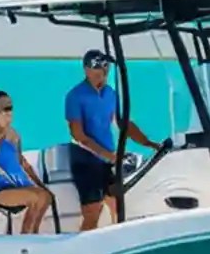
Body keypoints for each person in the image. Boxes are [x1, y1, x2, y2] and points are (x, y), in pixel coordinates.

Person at [64, 49, 162, 230]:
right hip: (85, 160)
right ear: (86, 69)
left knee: (118, 204)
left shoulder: (111, 94)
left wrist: (149, 143)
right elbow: (78, 135)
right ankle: (84, 250)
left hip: (108, 159)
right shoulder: (75, 96)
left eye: (105, 65)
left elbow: (123, 123)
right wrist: (107, 155)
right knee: (93, 211)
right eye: (97, 65)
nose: (103, 69)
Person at [0, 90, 53, 234]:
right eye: (4, 108)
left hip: (18, 186)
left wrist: (41, 185)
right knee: (36, 198)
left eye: (10, 108)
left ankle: (34, 233)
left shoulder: (14, 134)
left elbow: (22, 162)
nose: (9, 112)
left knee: (45, 197)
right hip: (1, 190)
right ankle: (25, 237)